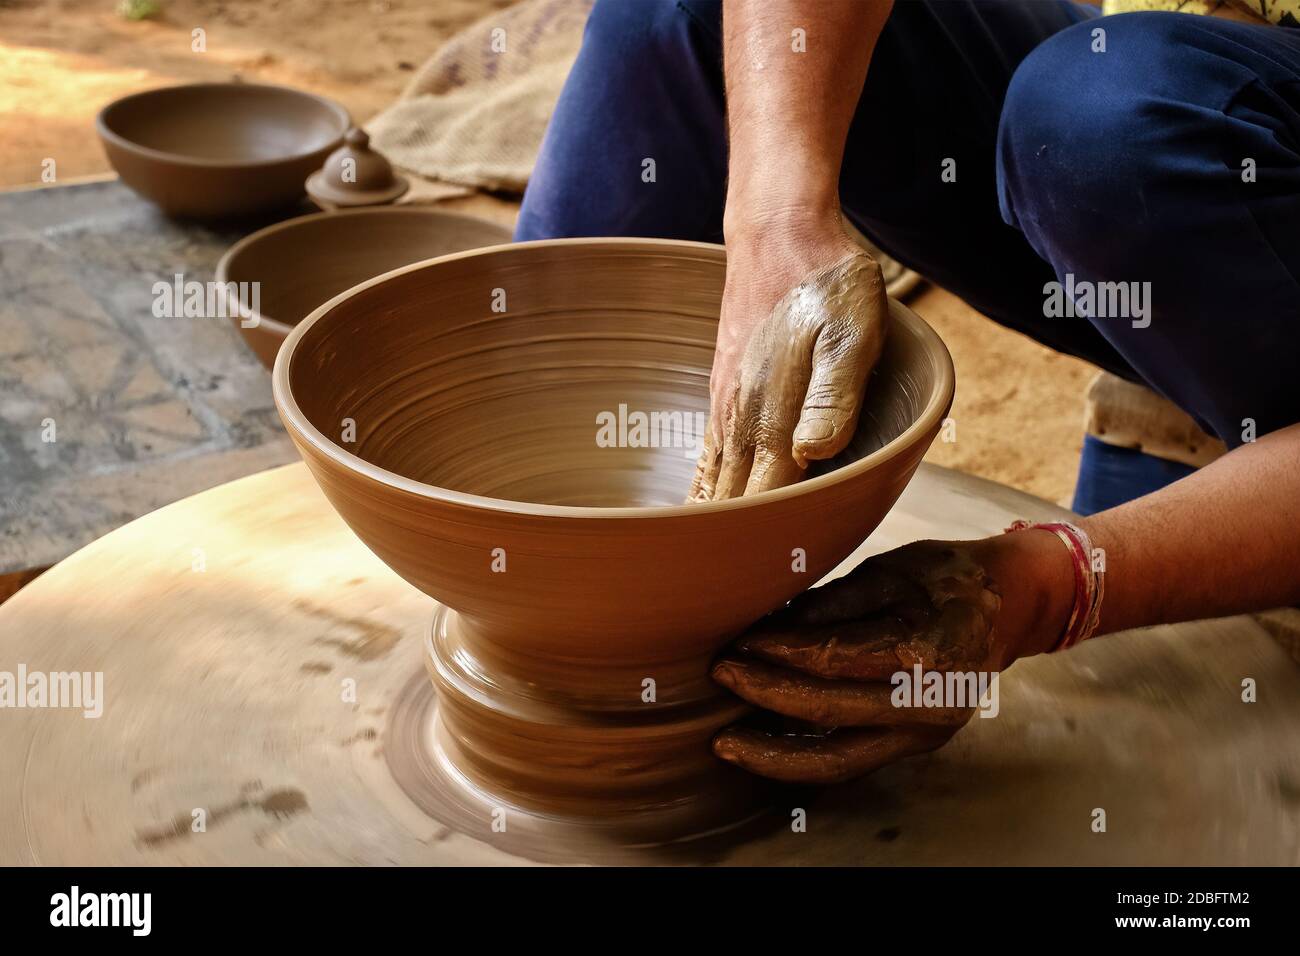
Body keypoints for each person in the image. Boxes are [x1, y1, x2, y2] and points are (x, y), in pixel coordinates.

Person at [515, 0, 1300, 783]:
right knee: (677, 17)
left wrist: (1049, 588)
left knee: (1109, 118)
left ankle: (1241, 427)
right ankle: (551, 568)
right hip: (1194, 72)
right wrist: (776, 218)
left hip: (1157, 134)